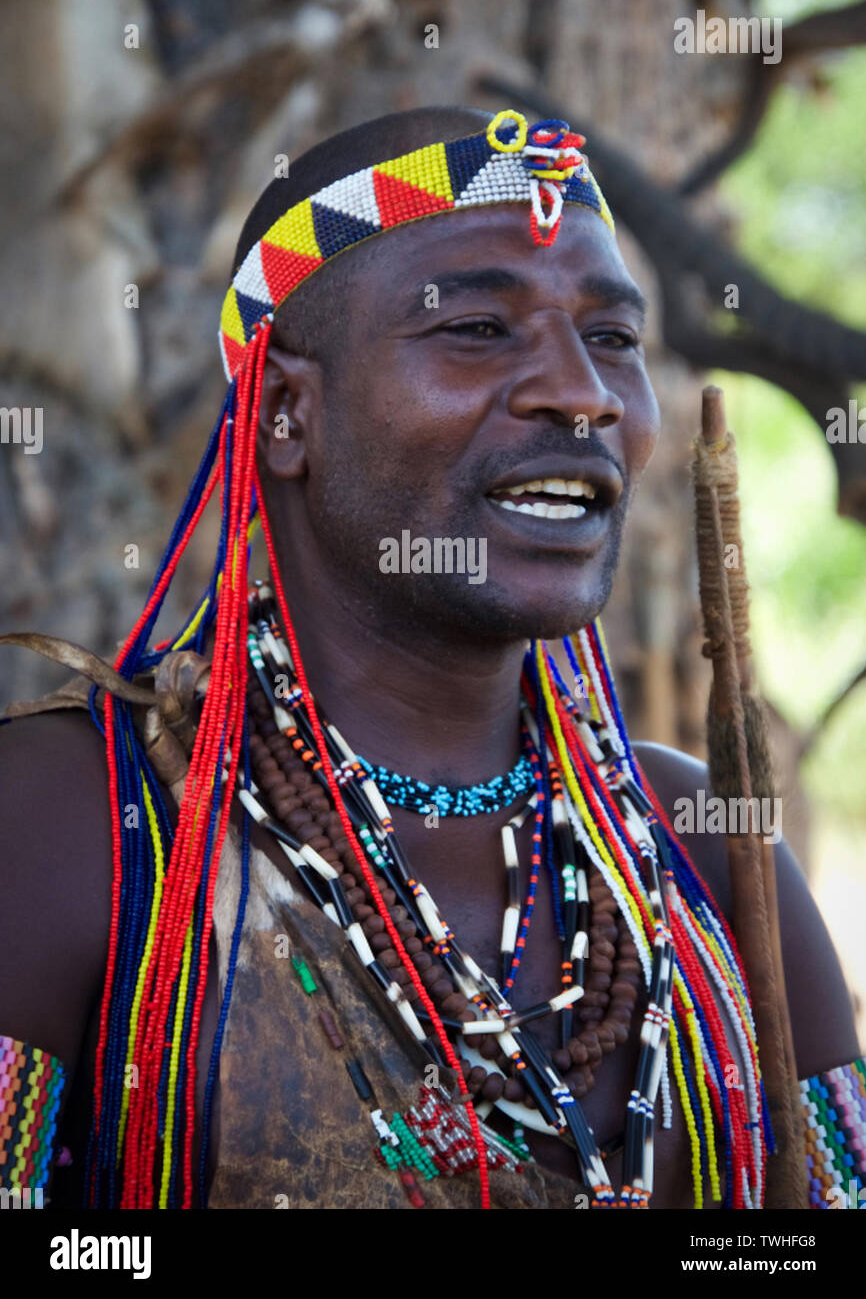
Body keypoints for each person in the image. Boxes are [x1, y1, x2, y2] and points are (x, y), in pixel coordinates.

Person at [0, 106, 862, 1212]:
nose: (582, 392)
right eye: (476, 329)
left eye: (610, 338)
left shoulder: (701, 854)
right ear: (283, 415)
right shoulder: (77, 834)